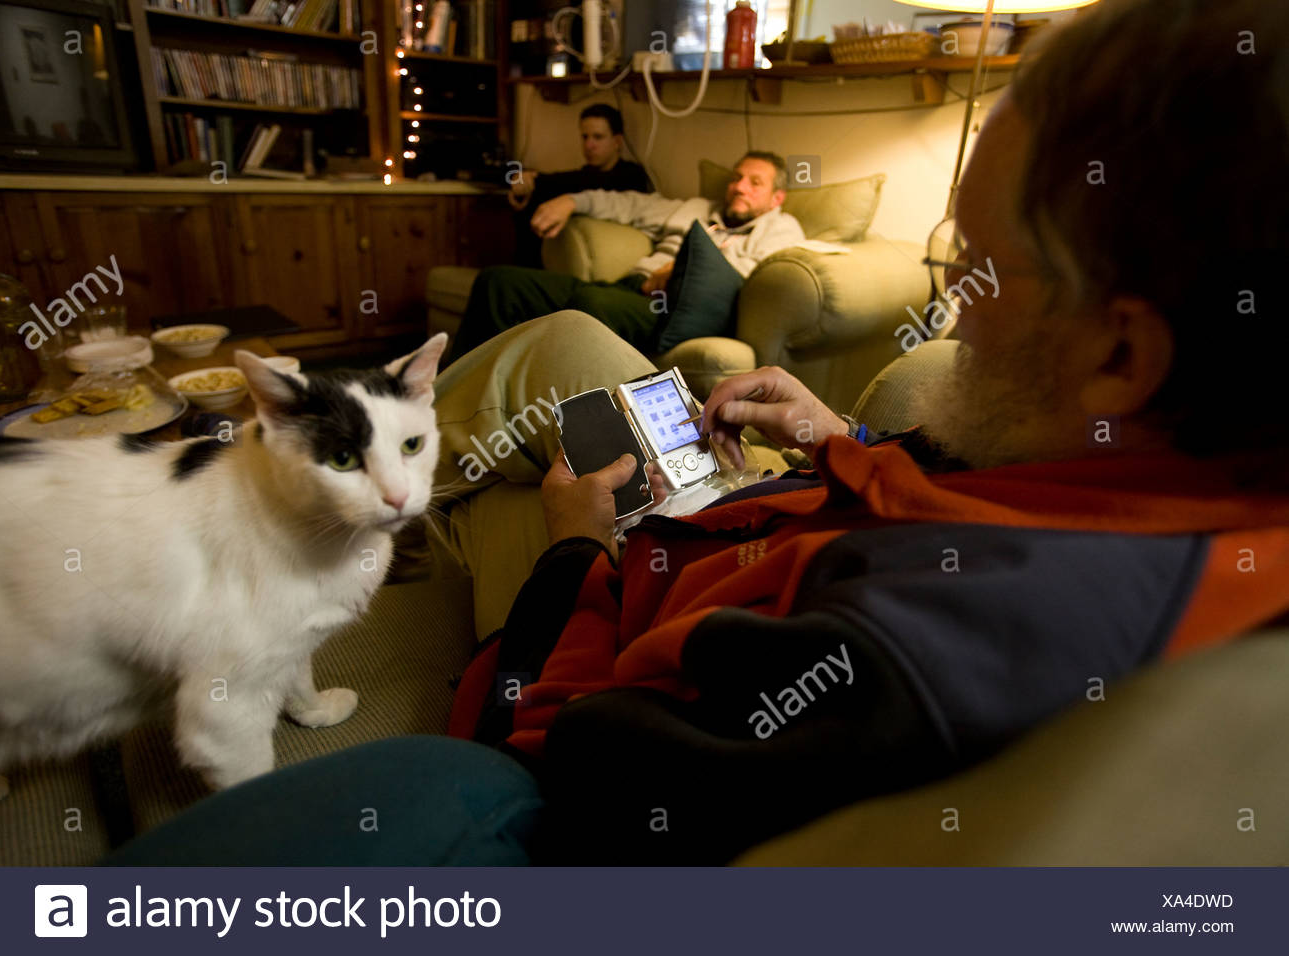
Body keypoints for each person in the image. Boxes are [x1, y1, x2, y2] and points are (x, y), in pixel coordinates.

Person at [107, 0, 1289, 867]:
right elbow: (1022, 494)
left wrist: (575, 549)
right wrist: (844, 442)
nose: (950, 309)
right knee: (562, 329)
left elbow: (559, 763)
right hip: (740, 506)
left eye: (975, 273)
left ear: (1122, 355)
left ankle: (350, 499)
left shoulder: (919, 659)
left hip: (614, 596)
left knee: (537, 427)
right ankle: (382, 485)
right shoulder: (1170, 463)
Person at [451, 150, 805, 357]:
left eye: (754, 182)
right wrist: (573, 200)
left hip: (665, 309)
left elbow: (757, 273)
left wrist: (677, 272)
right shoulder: (698, 207)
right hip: (624, 288)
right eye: (736, 177)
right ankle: (455, 396)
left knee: (591, 304)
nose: (739, 187)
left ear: (777, 197)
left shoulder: (781, 228)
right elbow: (631, 205)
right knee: (499, 281)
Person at [508, 104, 650, 267]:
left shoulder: (631, 175)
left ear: (617, 141)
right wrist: (523, 180)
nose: (589, 145)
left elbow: (588, 187)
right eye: (585, 137)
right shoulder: (584, 174)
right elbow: (556, 181)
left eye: (598, 137)